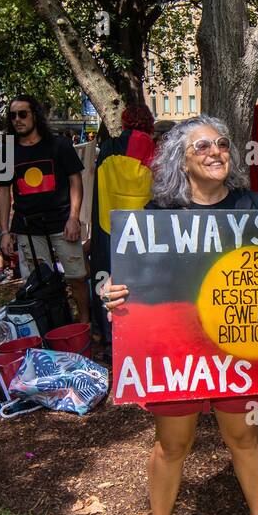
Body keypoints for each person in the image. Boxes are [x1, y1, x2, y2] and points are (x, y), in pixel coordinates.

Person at [101, 115, 258, 515]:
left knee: (243, 433)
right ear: (180, 160)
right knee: (172, 444)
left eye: (222, 144)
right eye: (202, 146)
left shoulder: (252, 205)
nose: (215, 152)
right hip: (176, 349)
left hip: (237, 341)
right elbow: (128, 282)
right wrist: (114, 294)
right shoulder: (154, 216)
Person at [0, 95, 90, 327]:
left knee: (77, 277)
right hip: (28, 226)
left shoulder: (59, 144)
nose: (17, 120)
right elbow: (3, 192)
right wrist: (5, 231)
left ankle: (86, 323)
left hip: (62, 223)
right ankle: (49, 326)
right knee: (38, 281)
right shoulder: (7, 150)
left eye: (23, 114)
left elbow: (75, 181)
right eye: (12, 115)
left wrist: (74, 218)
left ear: (35, 115)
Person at [90, 104, 156, 349]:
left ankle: (108, 335)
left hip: (108, 222)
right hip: (140, 224)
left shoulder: (108, 147)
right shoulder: (152, 147)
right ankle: (138, 333)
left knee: (105, 277)